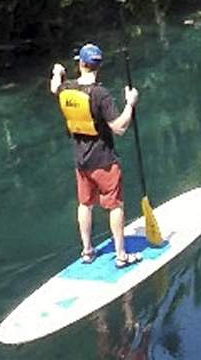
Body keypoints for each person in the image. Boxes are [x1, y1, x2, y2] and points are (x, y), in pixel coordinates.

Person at [49, 43, 140, 266]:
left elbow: (54, 87)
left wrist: (57, 72)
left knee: (85, 204)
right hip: (105, 161)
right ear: (98, 66)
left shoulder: (66, 89)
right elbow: (118, 128)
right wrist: (130, 104)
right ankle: (121, 255)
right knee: (114, 206)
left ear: (80, 63)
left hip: (81, 161)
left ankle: (87, 251)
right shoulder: (100, 94)